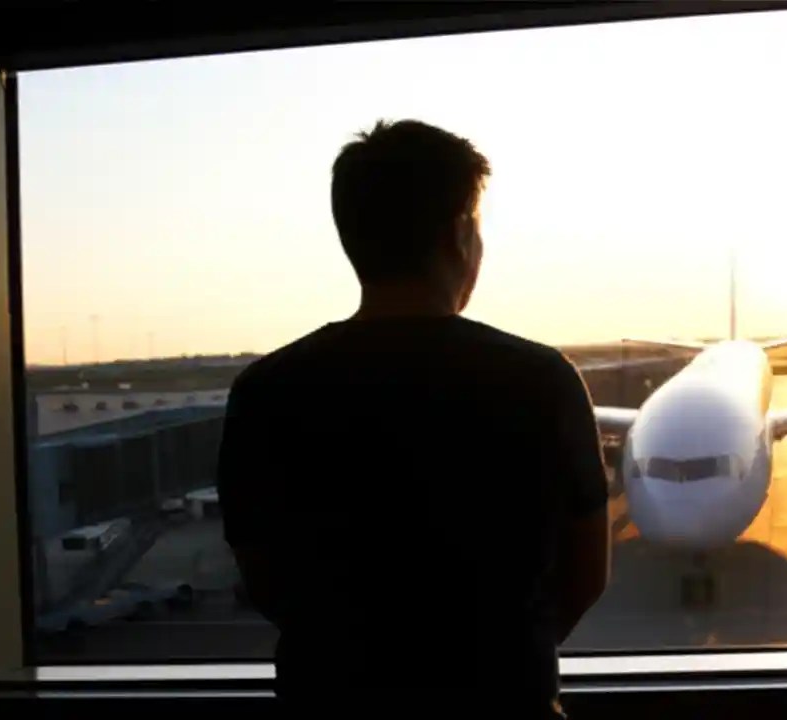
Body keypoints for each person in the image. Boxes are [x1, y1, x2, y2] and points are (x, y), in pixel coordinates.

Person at [216, 119, 610, 715]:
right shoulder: (543, 381)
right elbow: (586, 576)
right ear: (459, 236)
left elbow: (265, 581)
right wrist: (494, 653)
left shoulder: (264, 392)